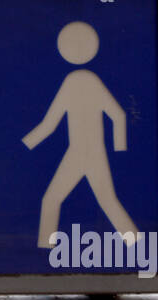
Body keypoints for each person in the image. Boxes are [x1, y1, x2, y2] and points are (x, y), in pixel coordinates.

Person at [22, 21, 137, 248]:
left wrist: (27, 144)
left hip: (84, 154)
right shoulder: (85, 81)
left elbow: (50, 123)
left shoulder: (75, 82)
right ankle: (134, 242)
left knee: (55, 199)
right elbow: (118, 115)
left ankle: (135, 242)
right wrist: (117, 146)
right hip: (82, 153)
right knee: (102, 200)